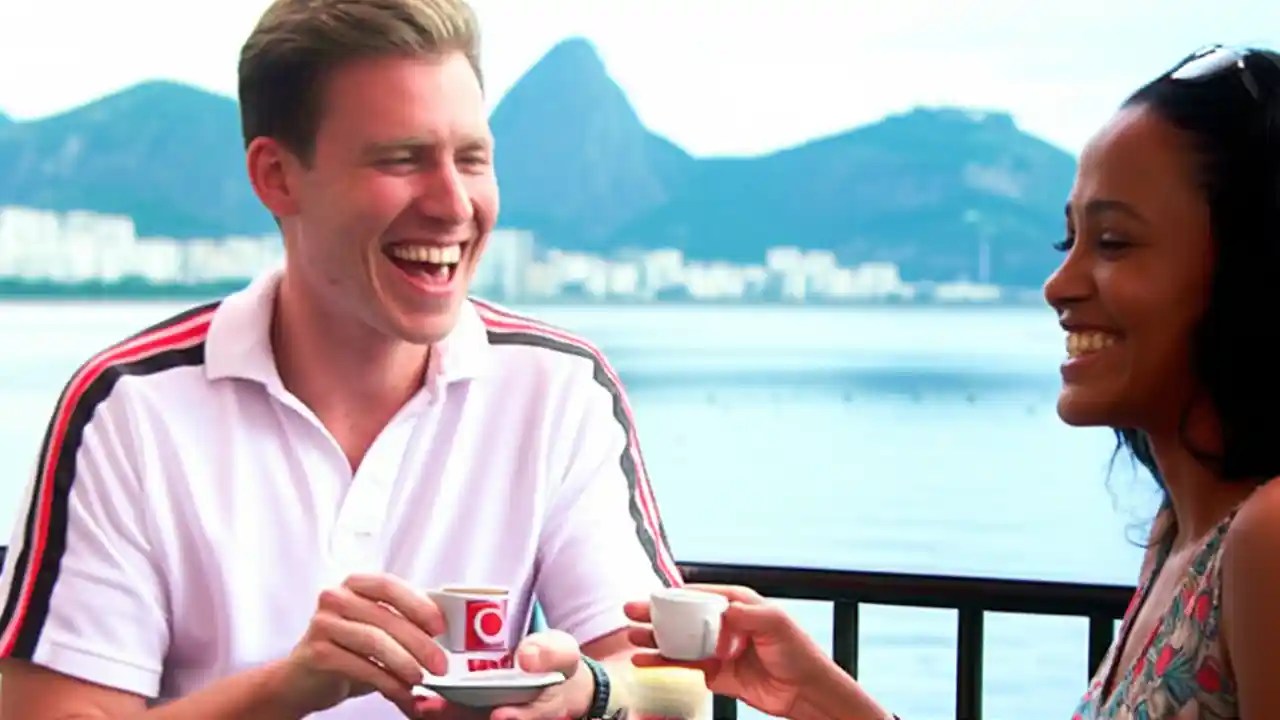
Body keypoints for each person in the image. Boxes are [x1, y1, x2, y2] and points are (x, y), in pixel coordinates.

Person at [0, 1, 682, 718]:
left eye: (473, 159)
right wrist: (284, 689)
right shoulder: (129, 407)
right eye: (402, 159)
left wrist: (593, 694)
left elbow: (669, 684)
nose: (454, 205)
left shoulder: (558, 389)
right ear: (277, 177)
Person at [625, 44, 1280, 719]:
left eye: (1112, 242)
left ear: (1251, 267)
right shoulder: (1180, 537)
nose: (1060, 284)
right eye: (1069, 242)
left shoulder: (1267, 538)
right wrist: (818, 696)